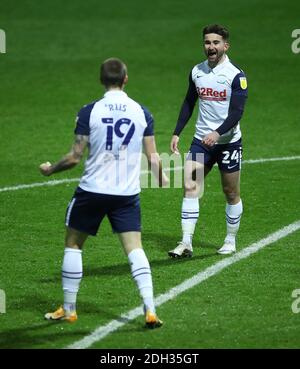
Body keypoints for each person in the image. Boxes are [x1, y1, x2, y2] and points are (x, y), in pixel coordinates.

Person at [39, 57, 168, 328]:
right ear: (125, 79)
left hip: (93, 191)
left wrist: (51, 169)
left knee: (74, 244)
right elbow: (154, 158)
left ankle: (70, 309)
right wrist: (162, 178)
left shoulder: (89, 112)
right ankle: (151, 309)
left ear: (101, 80)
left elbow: (74, 157)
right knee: (135, 249)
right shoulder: (142, 112)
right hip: (126, 195)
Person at [168, 24, 248, 258]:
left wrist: (218, 132)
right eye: (207, 42)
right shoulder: (197, 71)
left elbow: (237, 112)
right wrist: (177, 132)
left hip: (228, 143)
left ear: (225, 45)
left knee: (230, 192)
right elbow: (188, 102)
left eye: (215, 43)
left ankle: (230, 240)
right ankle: (185, 243)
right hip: (201, 141)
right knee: (190, 186)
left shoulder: (236, 76)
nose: (210, 47)